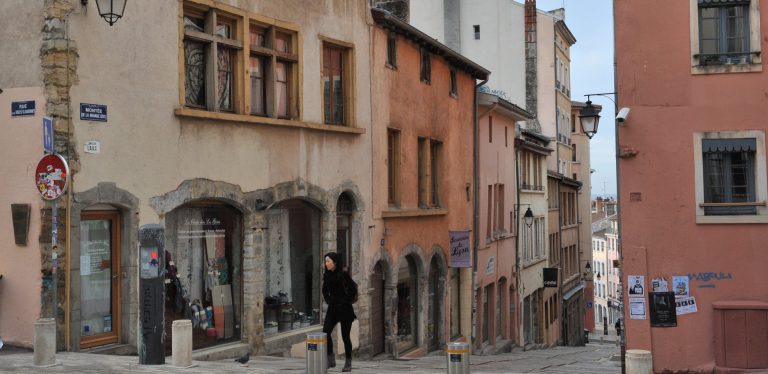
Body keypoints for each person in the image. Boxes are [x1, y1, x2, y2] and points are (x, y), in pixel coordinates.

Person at [322, 252, 357, 372]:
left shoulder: (344, 275)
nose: (326, 264)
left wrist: (344, 300)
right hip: (333, 308)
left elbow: (353, 289)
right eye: (325, 261)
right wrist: (328, 300)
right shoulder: (326, 275)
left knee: (345, 336)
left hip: (345, 309)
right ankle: (331, 358)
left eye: (328, 261)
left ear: (335, 262)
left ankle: (348, 362)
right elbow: (324, 291)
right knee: (326, 332)